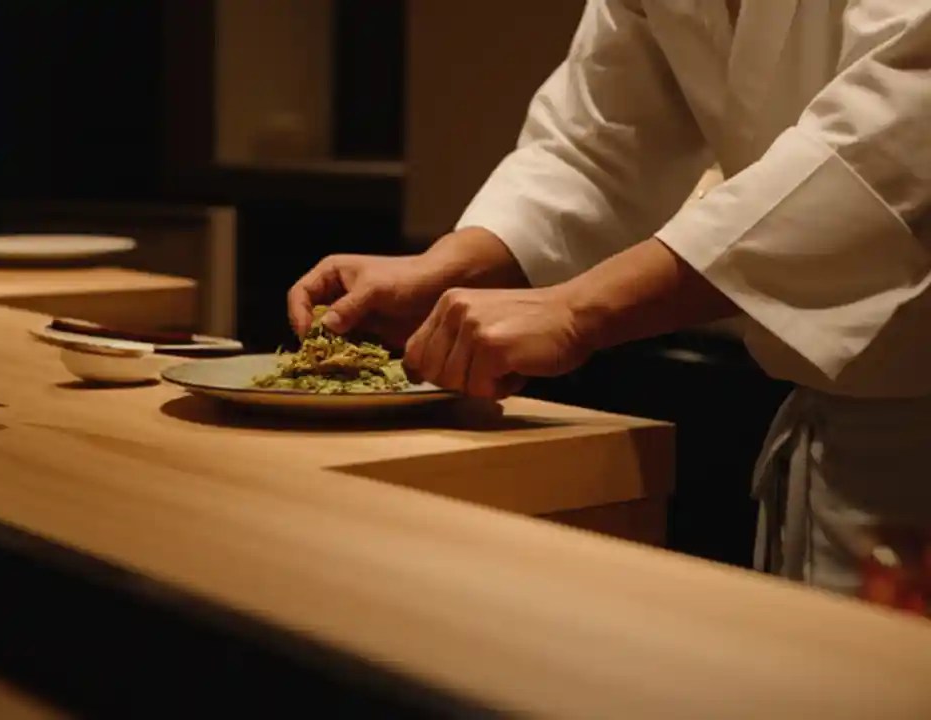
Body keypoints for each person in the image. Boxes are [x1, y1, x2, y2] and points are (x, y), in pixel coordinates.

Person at [287, 0, 931, 605]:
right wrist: (448, 266)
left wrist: (575, 310)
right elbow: (601, 140)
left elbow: (893, 136)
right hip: (846, 453)